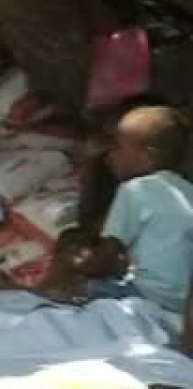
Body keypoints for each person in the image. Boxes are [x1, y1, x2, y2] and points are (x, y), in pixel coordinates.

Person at [79, 106, 192, 323]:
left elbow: (106, 256)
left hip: (147, 294)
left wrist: (80, 266)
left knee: (80, 290)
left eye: (118, 147)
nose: (110, 156)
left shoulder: (135, 190)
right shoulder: (188, 192)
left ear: (148, 154)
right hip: (183, 305)